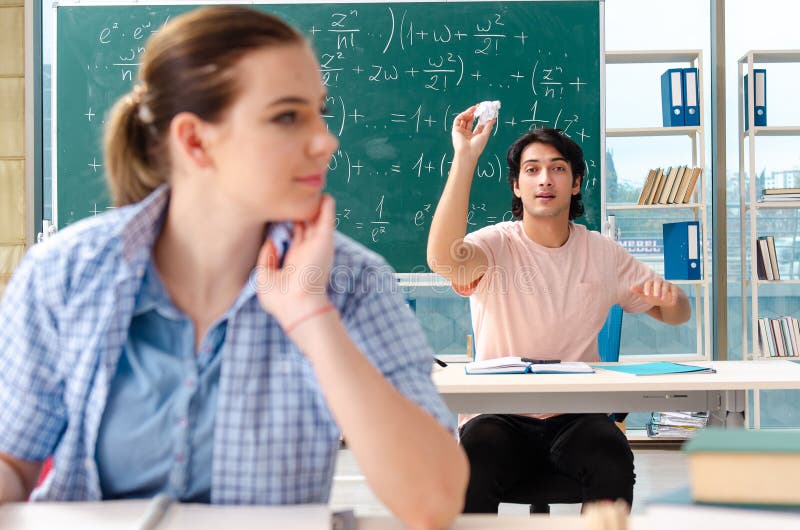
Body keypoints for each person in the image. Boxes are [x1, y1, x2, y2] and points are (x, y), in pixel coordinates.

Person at [0, 7, 468, 528]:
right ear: (195, 141)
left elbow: (433, 501)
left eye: (319, 112)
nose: (327, 141)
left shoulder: (353, 280)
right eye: (288, 116)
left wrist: (311, 317)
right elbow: (13, 461)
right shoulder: (63, 274)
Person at [427, 105, 691, 513]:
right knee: (472, 461)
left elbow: (676, 315)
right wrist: (465, 158)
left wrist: (674, 299)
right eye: (531, 170)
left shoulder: (602, 252)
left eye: (557, 168)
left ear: (576, 182)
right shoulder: (495, 244)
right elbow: (443, 260)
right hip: (499, 415)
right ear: (516, 186)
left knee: (612, 458)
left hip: (577, 414)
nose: (544, 179)